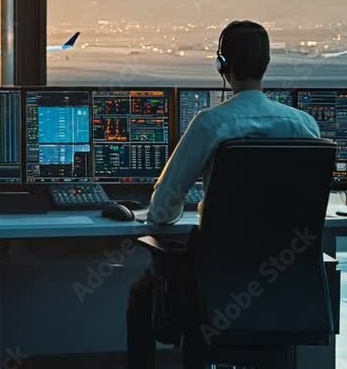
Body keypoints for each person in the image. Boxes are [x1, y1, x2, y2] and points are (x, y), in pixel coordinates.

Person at [127, 21, 321, 368]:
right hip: (283, 286)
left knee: (141, 293)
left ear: (222, 66)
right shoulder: (304, 126)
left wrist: (166, 215)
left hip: (214, 287)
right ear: (266, 63)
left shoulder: (211, 124)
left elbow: (161, 210)